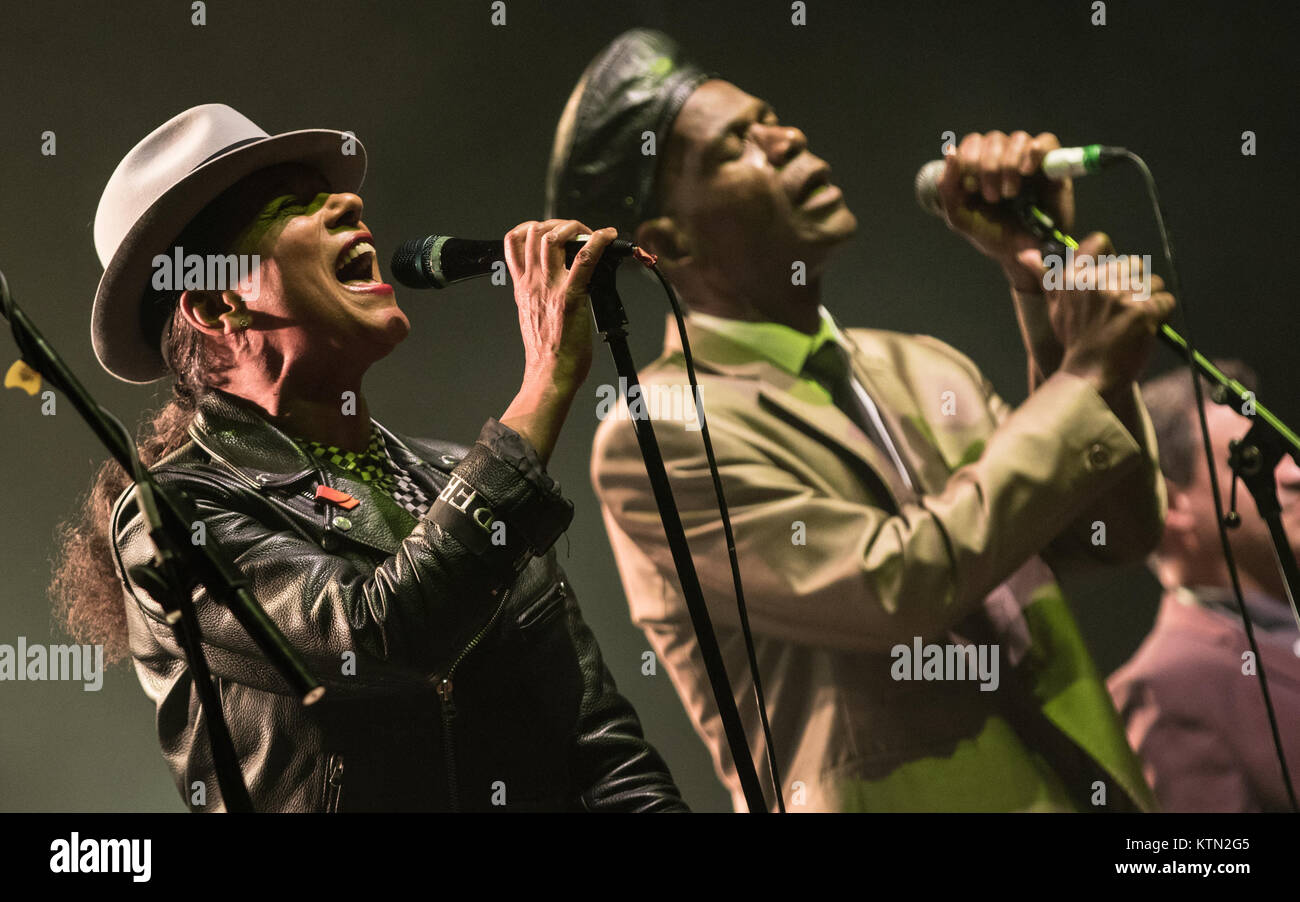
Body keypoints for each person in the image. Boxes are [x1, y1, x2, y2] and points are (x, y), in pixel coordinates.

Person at [550, 29, 1174, 811]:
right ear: (668, 240)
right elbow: (897, 588)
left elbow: (1110, 533)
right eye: (741, 145)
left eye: (772, 118)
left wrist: (1042, 289)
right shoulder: (661, 433)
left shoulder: (923, 364)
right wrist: (1085, 379)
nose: (787, 139)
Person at [50, 103, 687, 812]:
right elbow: (377, 635)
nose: (350, 202)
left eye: (334, 195)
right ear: (216, 300)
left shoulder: (452, 478)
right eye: (296, 205)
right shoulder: (172, 515)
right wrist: (544, 384)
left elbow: (602, 751)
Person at [1109, 362, 1300, 812]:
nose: (1294, 472)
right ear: (1172, 507)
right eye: (1252, 458)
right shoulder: (1164, 694)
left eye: (1280, 448)